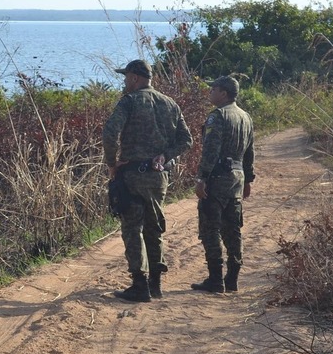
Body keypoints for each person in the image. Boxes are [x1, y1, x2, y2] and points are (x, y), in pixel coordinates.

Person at [103, 59, 193, 302]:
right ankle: (156, 284)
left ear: (134, 77)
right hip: (159, 176)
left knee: (133, 228)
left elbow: (110, 132)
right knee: (154, 228)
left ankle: (139, 284)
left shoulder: (129, 101)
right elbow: (187, 139)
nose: (124, 81)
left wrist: (112, 164)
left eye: (125, 77)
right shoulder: (170, 104)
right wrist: (165, 156)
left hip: (132, 175)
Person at [191, 75, 256, 293]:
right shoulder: (245, 117)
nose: (210, 92)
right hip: (237, 178)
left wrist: (201, 178)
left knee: (210, 228)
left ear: (224, 93)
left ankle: (215, 279)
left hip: (217, 178)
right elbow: (250, 153)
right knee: (233, 228)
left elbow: (211, 150)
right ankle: (233, 277)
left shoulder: (217, 116)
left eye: (214, 89)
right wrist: (249, 179)